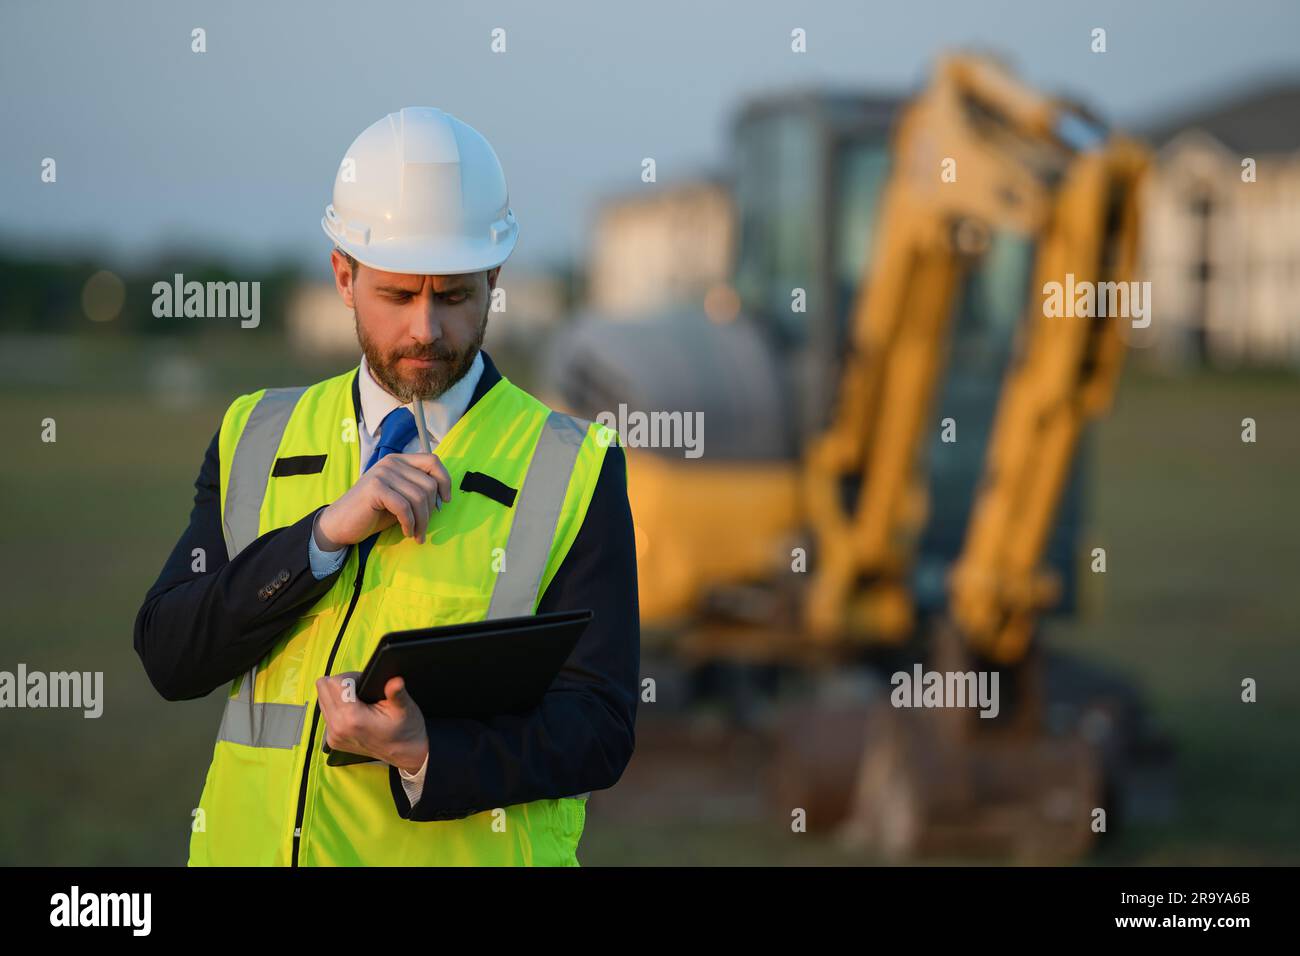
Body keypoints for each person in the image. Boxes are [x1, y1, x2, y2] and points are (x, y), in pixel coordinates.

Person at [133, 107, 639, 866]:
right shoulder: (256, 436)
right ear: (344, 275)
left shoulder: (574, 466)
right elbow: (172, 657)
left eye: (457, 296)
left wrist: (427, 753)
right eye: (399, 296)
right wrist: (320, 540)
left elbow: (597, 728)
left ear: (494, 281)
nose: (426, 329)